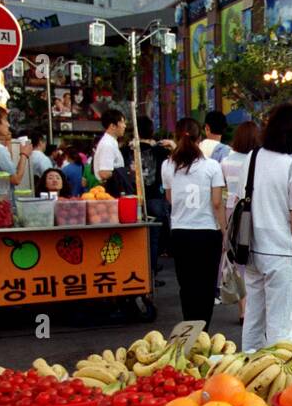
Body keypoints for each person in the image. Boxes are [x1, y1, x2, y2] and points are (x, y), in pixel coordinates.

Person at [243, 102, 292, 352]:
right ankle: (280, 382)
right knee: (281, 326)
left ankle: (246, 374)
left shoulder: (253, 157)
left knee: (253, 318)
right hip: (280, 253)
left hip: (250, 249)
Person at [162, 117, 226, 328]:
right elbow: (217, 203)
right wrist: (224, 231)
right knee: (207, 286)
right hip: (207, 232)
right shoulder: (212, 166)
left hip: (180, 232)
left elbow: (170, 199)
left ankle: (189, 328)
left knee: (186, 285)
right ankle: (204, 330)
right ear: (200, 137)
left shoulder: (168, 165)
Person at [222, 120, 261, 323]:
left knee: (239, 259)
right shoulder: (258, 160)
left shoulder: (226, 161)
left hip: (233, 211)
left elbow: (222, 191)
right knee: (255, 256)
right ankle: (256, 307)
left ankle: (243, 308)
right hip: (254, 211)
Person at [132, 114, 174, 274]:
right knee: (154, 238)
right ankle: (151, 271)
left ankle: (139, 271)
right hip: (156, 197)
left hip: (135, 198)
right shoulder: (161, 150)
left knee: (136, 237)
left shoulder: (129, 150)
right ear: (151, 130)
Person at [94, 109, 128, 190]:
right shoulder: (107, 144)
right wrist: (121, 173)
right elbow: (104, 173)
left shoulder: (111, 142)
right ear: (112, 126)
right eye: (122, 122)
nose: (124, 126)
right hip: (111, 189)